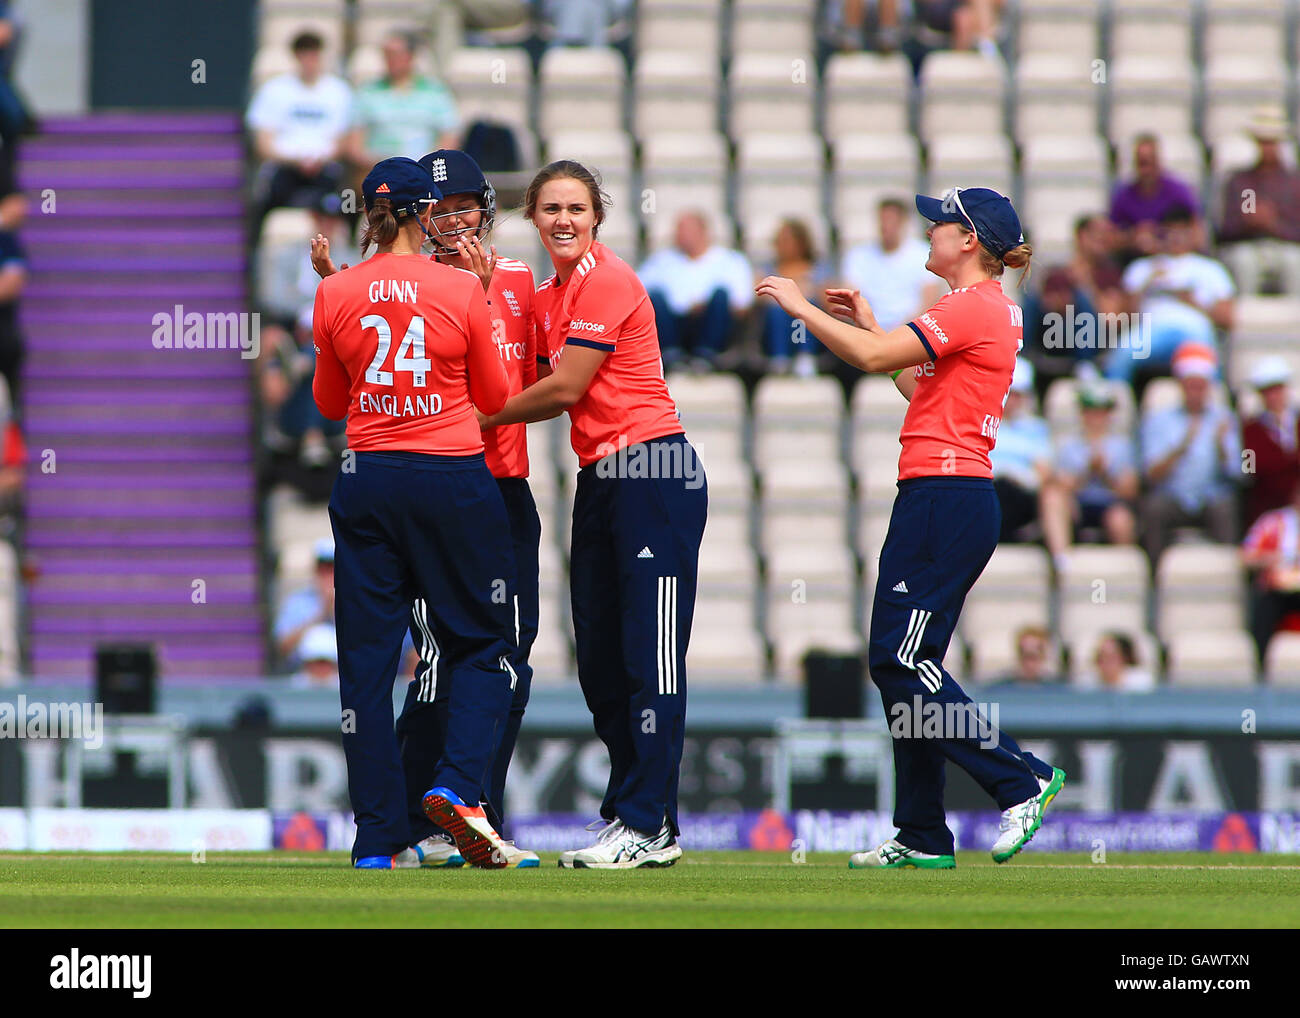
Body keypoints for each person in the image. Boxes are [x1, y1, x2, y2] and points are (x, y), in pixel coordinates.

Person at [757, 185, 1065, 868]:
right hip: (942, 493)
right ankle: (922, 830)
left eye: (941, 224)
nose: (929, 232)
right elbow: (913, 388)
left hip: (945, 496)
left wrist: (801, 306)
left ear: (969, 242)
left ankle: (1022, 780)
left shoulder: (970, 306)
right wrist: (871, 325)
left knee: (901, 661)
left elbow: (875, 365)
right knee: (903, 664)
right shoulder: (985, 308)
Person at [314, 149, 543, 867]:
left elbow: (326, 402)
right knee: (481, 642)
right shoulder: (461, 288)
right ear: (424, 213)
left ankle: (377, 838)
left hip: (368, 477)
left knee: (367, 664)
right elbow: (498, 398)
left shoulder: (337, 291)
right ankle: (455, 786)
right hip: (450, 476)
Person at [478, 160, 709, 869]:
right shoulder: (550, 295)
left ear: (597, 216)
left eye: (576, 207)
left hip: (653, 469)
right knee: (602, 665)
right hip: (602, 477)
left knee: (650, 660)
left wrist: (476, 416)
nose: (563, 220)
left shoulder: (607, 279)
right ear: (534, 217)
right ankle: (641, 819)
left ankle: (647, 823)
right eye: (550, 209)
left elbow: (563, 387)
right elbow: (519, 369)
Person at [1105, 204, 1236, 386]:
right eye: (1170, 231)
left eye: (1182, 231)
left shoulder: (1211, 269)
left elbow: (1227, 320)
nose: (1175, 237)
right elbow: (1122, 319)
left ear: (1192, 233)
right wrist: (1145, 286)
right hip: (1150, 330)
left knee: (1206, 361)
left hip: (1193, 329)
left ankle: (1215, 405)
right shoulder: (1141, 268)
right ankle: (1114, 404)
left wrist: (1192, 302)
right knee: (1120, 357)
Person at [1139, 342, 1241, 564]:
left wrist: (1221, 447)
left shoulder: (1224, 420)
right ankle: (1155, 576)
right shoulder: (1159, 420)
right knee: (1153, 508)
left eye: (1200, 386)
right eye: (1191, 386)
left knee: (1227, 506)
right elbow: (1151, 474)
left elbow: (1239, 473)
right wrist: (1181, 447)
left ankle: (1228, 573)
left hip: (1210, 498)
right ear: (1181, 387)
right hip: (1173, 498)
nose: (1196, 392)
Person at [246, 31, 353, 242]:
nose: (309, 62)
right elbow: (263, 144)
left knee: (347, 205)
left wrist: (320, 159)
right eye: (305, 55)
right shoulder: (274, 90)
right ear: (296, 57)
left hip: (325, 169)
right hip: (285, 169)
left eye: (313, 55)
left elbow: (345, 141)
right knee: (261, 206)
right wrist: (296, 161)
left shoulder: (339, 91)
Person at [637, 210, 754, 371]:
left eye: (687, 230)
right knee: (654, 297)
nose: (681, 235)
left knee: (721, 295)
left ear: (704, 232)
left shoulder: (731, 261)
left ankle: (706, 354)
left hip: (708, 321)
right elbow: (636, 293)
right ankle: (671, 354)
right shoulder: (660, 260)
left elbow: (742, 305)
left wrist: (703, 306)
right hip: (672, 322)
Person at [1043, 382, 1139, 555]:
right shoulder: (1068, 446)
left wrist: (1105, 472)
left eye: (1102, 411)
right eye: (1091, 411)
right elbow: (1061, 485)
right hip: (1077, 504)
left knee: (1120, 519)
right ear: (1082, 413)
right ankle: (1061, 562)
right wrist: (1087, 470)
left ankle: (1125, 568)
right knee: (1053, 500)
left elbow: (1129, 490)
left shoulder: (1122, 446)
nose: (1096, 417)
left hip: (1109, 503)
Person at [1217, 106, 1300, 296]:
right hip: (1251, 246)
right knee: (1244, 261)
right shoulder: (1244, 181)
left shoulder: (1294, 183)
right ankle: (1246, 316)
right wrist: (1251, 222)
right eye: (1263, 142)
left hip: (1286, 246)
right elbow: (1227, 229)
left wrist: (1274, 224)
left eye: (1271, 142)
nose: (1267, 147)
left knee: (1294, 262)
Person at [347, 32, 459, 168]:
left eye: (397, 54)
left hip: (423, 170)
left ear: (411, 56)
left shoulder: (436, 91)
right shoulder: (367, 91)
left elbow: (449, 137)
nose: (392, 60)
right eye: (387, 55)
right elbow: (355, 144)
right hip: (380, 169)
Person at [841, 197, 943, 334]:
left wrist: (900, 333)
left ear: (902, 222)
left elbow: (929, 301)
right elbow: (851, 297)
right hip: (866, 331)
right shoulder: (858, 254)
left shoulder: (923, 254)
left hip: (910, 332)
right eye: (883, 220)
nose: (886, 226)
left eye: (891, 220)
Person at [988, 358, 1055, 551]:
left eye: (1016, 394)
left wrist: (1021, 477)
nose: (1011, 399)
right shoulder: (982, 423)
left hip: (1022, 494)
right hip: (989, 488)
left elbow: (1043, 472)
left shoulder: (1036, 428)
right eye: (1008, 392)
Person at [757, 217, 834, 376]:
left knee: (805, 307)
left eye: (787, 240)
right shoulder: (767, 269)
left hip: (806, 327)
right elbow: (758, 294)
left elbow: (827, 297)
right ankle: (780, 357)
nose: (782, 246)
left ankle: (805, 355)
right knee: (778, 308)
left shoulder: (818, 270)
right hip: (775, 325)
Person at [1108, 134, 1200, 265]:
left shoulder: (1179, 192)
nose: (1146, 171)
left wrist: (1164, 242)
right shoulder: (1123, 196)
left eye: (1150, 163)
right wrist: (1133, 238)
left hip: (1178, 260)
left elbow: (1198, 235)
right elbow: (1111, 238)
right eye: (1142, 164)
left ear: (1159, 161)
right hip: (1135, 262)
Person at [1242, 477, 1300, 658]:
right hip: (1276, 589)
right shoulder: (1272, 521)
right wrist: (1274, 559)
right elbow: (1246, 557)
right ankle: (1259, 664)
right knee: (1265, 606)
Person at [1241, 356, 1300, 528]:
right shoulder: (1249, 430)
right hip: (1268, 510)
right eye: (1267, 391)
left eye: (1277, 389)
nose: (1273, 396)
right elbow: (1249, 471)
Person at [273, 538, 336, 671]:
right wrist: (322, 613)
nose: (329, 575)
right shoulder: (297, 601)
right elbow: (283, 647)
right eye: (324, 569)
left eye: (333, 569)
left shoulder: (357, 602)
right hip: (303, 675)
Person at [1075, 631, 1155, 692]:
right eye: (1101, 657)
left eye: (1111, 657)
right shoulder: (1085, 684)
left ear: (1124, 658)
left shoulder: (1141, 684)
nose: (1105, 662)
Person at [988, 625, 1059, 686]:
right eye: (1025, 656)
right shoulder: (999, 687)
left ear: (1044, 656)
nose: (1029, 664)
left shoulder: (1056, 689)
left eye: (1033, 657)